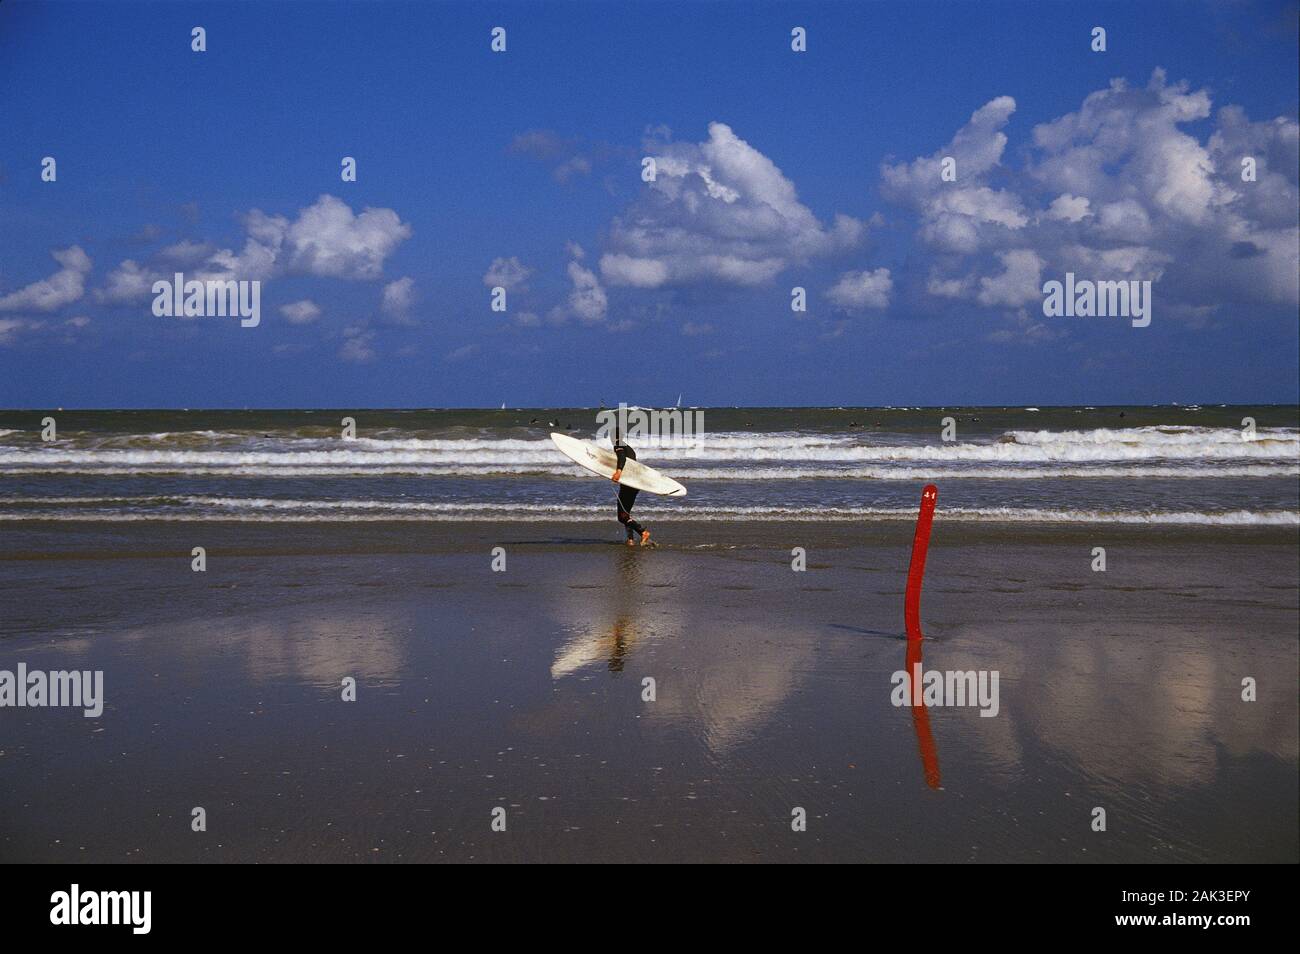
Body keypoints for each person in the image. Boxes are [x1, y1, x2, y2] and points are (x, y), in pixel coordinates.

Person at [610, 423, 651, 547]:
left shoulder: (618, 445)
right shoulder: (629, 448)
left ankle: (643, 532)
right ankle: (630, 540)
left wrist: (618, 471)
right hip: (634, 483)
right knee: (626, 514)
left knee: (622, 517)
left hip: (629, 484)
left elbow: (621, 458)